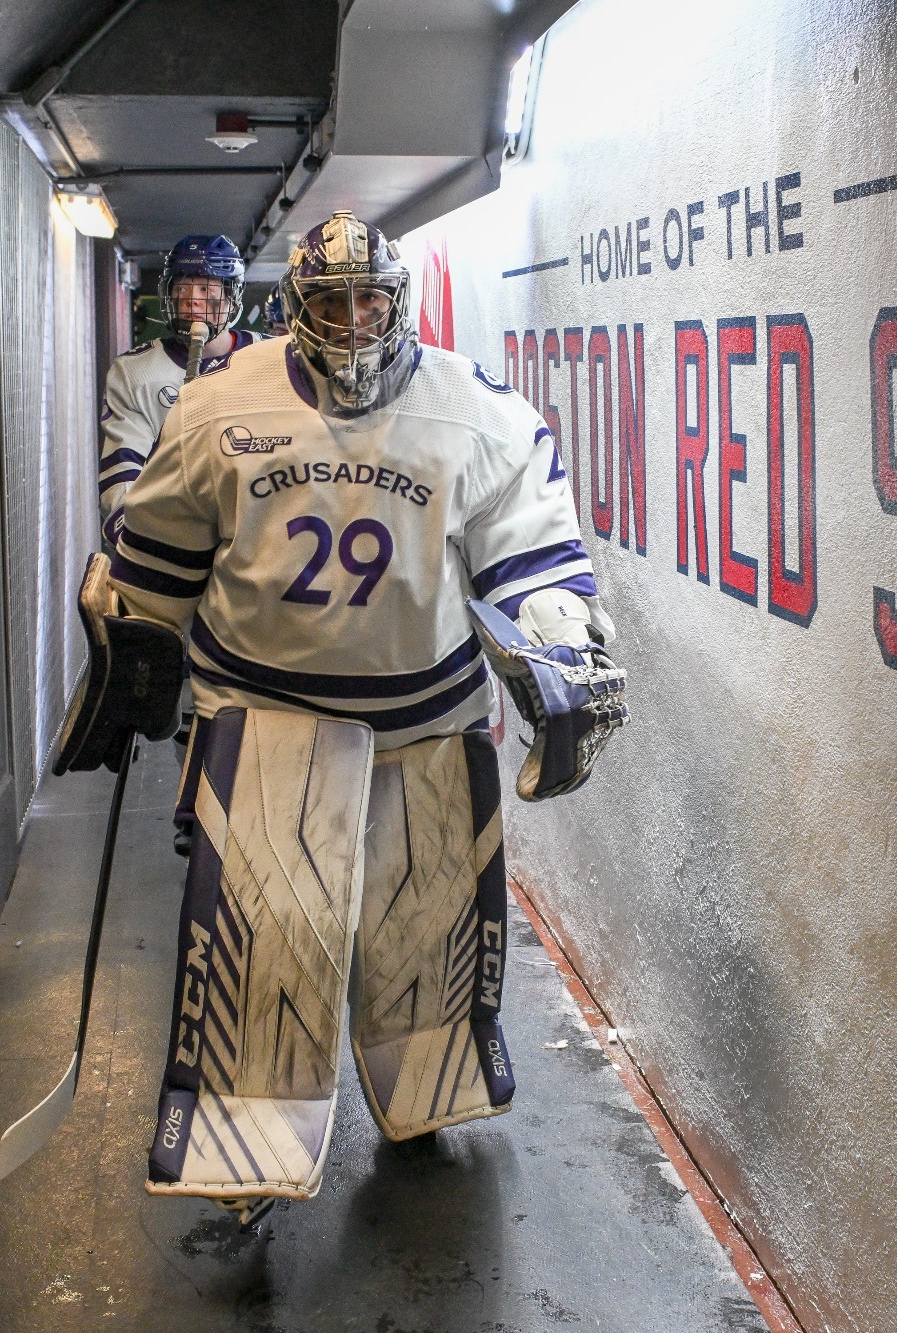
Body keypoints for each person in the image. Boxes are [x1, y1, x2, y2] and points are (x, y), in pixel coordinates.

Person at [54, 209, 627, 1226]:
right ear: (296, 305)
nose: (354, 321)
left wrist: (558, 642)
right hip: (268, 713)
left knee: (427, 927)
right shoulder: (219, 403)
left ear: (399, 300)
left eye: (370, 299)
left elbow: (528, 547)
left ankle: (424, 1088)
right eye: (331, 301)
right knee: (269, 935)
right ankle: (246, 1132)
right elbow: (163, 551)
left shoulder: (475, 408)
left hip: (430, 718)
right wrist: (132, 643)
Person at [98, 233, 255, 548]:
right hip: (172, 536)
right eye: (182, 288)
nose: (192, 299)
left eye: (206, 288)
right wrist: (137, 540)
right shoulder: (135, 371)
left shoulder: (274, 357)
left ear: (230, 296)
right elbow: (123, 470)